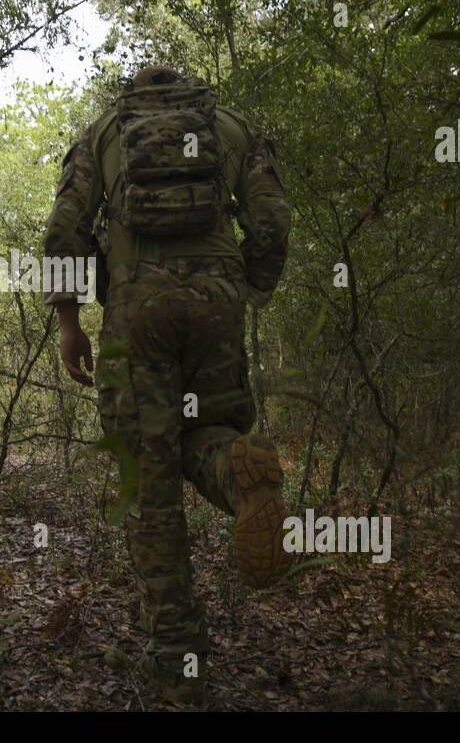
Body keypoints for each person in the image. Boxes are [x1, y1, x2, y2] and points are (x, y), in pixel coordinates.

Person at [43, 65, 291, 707]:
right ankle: (237, 474)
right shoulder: (230, 128)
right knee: (207, 430)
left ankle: (179, 665)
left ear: (131, 97)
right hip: (217, 306)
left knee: (146, 478)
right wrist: (252, 288)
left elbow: (65, 230)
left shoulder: (103, 132)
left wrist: (70, 324)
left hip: (136, 314)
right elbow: (271, 218)